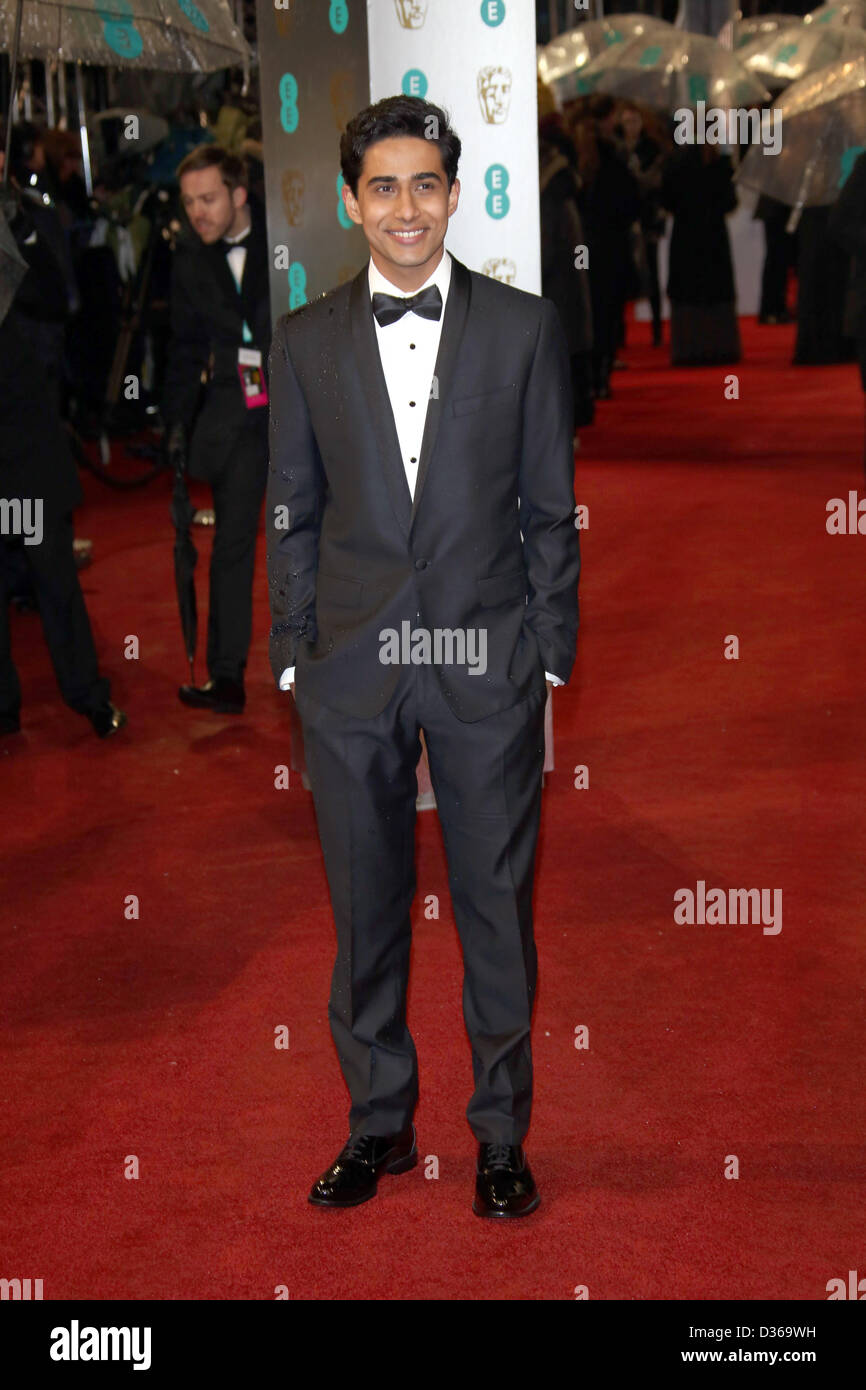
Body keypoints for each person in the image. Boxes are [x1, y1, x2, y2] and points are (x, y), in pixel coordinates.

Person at [266, 95, 580, 1217]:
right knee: (365, 904)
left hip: (485, 656)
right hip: (351, 663)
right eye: (383, 187)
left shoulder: (522, 328)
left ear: (454, 194)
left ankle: (500, 1133)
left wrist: (546, 649)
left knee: (494, 903)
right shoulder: (305, 340)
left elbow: (551, 504)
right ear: (352, 202)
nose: (406, 207)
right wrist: (295, 649)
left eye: (426, 184)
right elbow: (290, 506)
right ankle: (377, 1125)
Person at [0, 188, 126, 739]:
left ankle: (86, 695)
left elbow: (56, 296)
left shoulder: (15, 231)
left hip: (25, 452)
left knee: (54, 579)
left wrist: (18, 227)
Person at [163, 145, 271, 713]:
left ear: (238, 195)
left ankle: (319, 670)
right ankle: (225, 676)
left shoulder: (285, 239)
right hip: (235, 416)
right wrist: (176, 425)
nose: (196, 213)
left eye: (207, 199)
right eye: (188, 203)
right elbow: (183, 351)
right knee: (230, 545)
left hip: (301, 409)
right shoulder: (188, 260)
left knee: (314, 542)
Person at [580, 96, 641, 398]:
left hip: (585, 247)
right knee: (607, 313)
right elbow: (630, 203)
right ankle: (601, 375)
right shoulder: (612, 158)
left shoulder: (578, 156)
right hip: (609, 247)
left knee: (591, 313)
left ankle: (591, 377)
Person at [661, 143, 741, 366]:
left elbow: (666, 200)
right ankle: (719, 347)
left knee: (688, 292)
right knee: (715, 291)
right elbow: (731, 202)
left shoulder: (676, 162)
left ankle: (689, 348)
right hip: (714, 237)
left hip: (685, 238)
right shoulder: (720, 163)